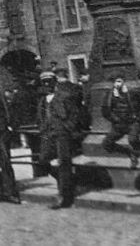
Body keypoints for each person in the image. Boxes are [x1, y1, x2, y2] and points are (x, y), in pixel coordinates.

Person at [37, 72, 84, 210]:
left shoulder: (64, 96)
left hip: (62, 134)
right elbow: (40, 117)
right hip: (48, 134)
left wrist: (67, 127)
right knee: (43, 160)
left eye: (49, 81)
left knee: (64, 162)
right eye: (44, 82)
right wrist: (42, 128)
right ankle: (67, 182)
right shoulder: (43, 100)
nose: (47, 84)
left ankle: (64, 196)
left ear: (55, 82)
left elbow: (75, 114)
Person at [101, 75, 140, 170]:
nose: (117, 84)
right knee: (107, 144)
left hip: (133, 123)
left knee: (133, 140)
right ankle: (130, 153)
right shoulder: (109, 95)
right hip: (119, 124)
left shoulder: (132, 92)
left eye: (119, 81)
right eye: (115, 82)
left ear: (124, 81)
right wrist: (115, 119)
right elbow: (105, 111)